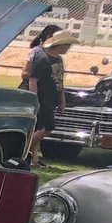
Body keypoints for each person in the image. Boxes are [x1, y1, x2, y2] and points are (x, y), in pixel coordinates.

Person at [22, 28, 75, 166]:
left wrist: (62, 101)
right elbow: (33, 80)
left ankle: (33, 160)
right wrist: (35, 100)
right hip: (42, 98)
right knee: (47, 127)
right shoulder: (43, 59)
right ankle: (23, 149)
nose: (69, 48)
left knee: (39, 129)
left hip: (52, 98)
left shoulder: (59, 60)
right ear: (59, 44)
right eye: (67, 45)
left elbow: (60, 80)